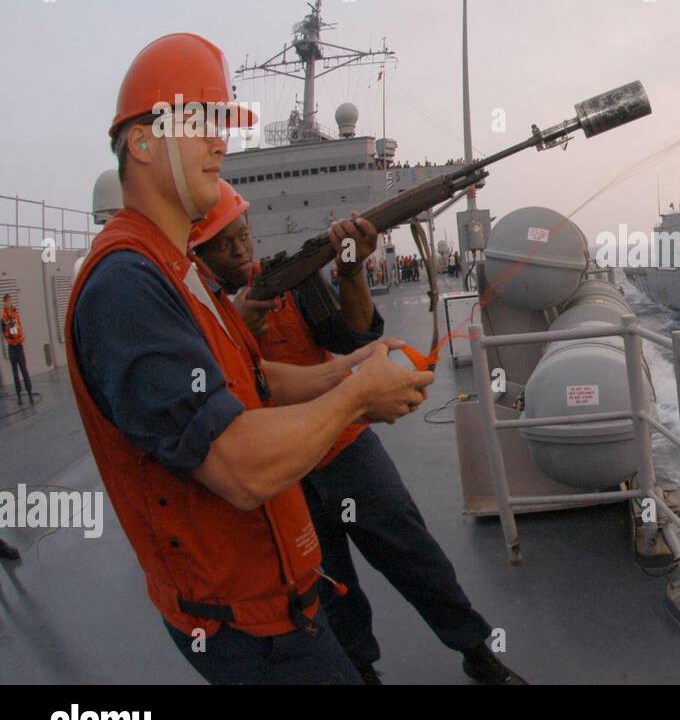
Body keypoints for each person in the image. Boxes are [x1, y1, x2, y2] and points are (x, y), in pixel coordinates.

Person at [68, 32, 435, 685]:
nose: (220, 143)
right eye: (200, 123)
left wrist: (349, 366)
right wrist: (357, 396)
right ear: (143, 143)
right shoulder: (126, 284)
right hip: (245, 627)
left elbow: (253, 380)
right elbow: (237, 467)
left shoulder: (176, 271)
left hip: (279, 595)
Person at [190, 181, 524, 684]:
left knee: (413, 554)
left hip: (344, 447)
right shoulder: (200, 317)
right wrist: (235, 333)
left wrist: (350, 271)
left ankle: (474, 648)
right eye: (223, 244)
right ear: (197, 255)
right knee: (327, 583)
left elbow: (356, 335)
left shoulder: (288, 283)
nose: (240, 250)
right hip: (281, 469)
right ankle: (362, 670)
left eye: (243, 235)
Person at [2, 294, 34, 404]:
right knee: (15, 372)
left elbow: (19, 326)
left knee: (24, 370)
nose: (9, 303)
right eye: (7, 301)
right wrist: (8, 327)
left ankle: (29, 392)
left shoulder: (16, 314)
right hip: (12, 347)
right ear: (4, 303)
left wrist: (18, 335)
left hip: (19, 345)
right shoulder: (3, 317)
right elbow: (4, 333)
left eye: (10, 300)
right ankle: (19, 394)